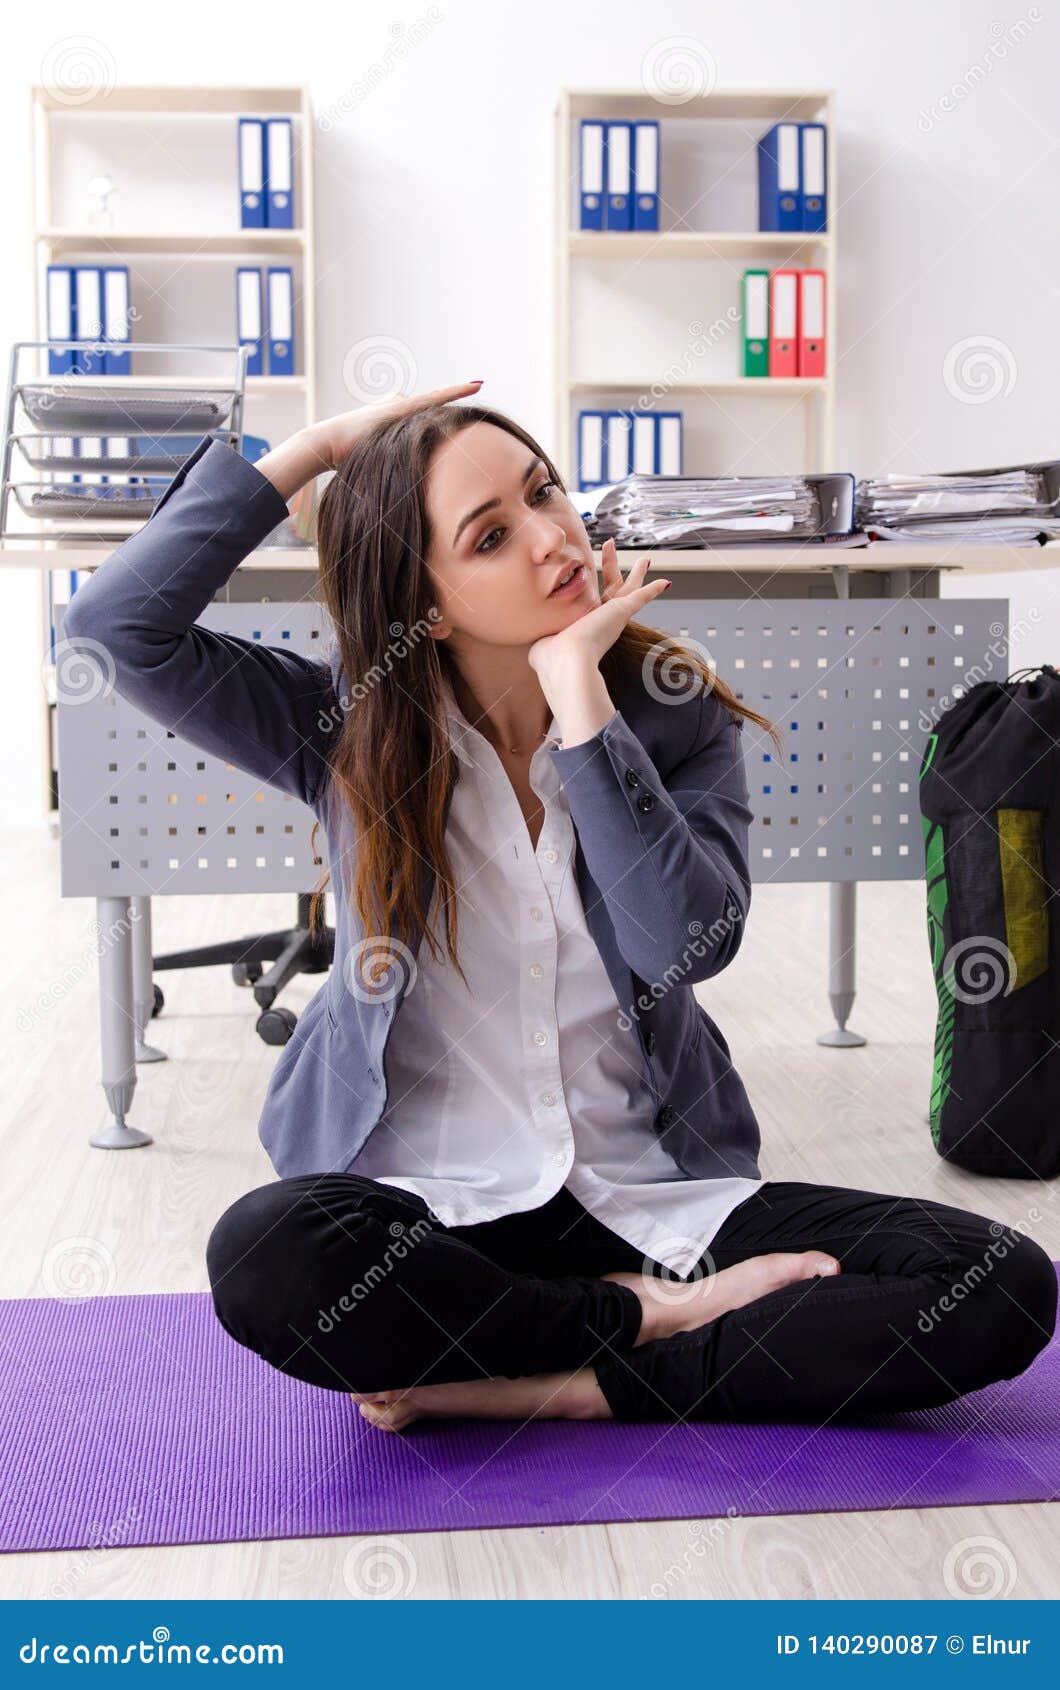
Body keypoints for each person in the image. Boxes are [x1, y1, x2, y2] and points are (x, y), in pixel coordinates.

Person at [62, 382, 1058, 1430]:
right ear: (427, 604)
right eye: (492, 535)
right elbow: (115, 627)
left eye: (545, 494)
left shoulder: (672, 718)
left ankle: (559, 1380)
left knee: (994, 1279)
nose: (554, 539)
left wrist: (582, 702)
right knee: (269, 1255)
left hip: (653, 1196)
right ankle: (637, 1324)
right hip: (429, 1211)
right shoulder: (341, 727)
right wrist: (312, 450)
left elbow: (686, 943)